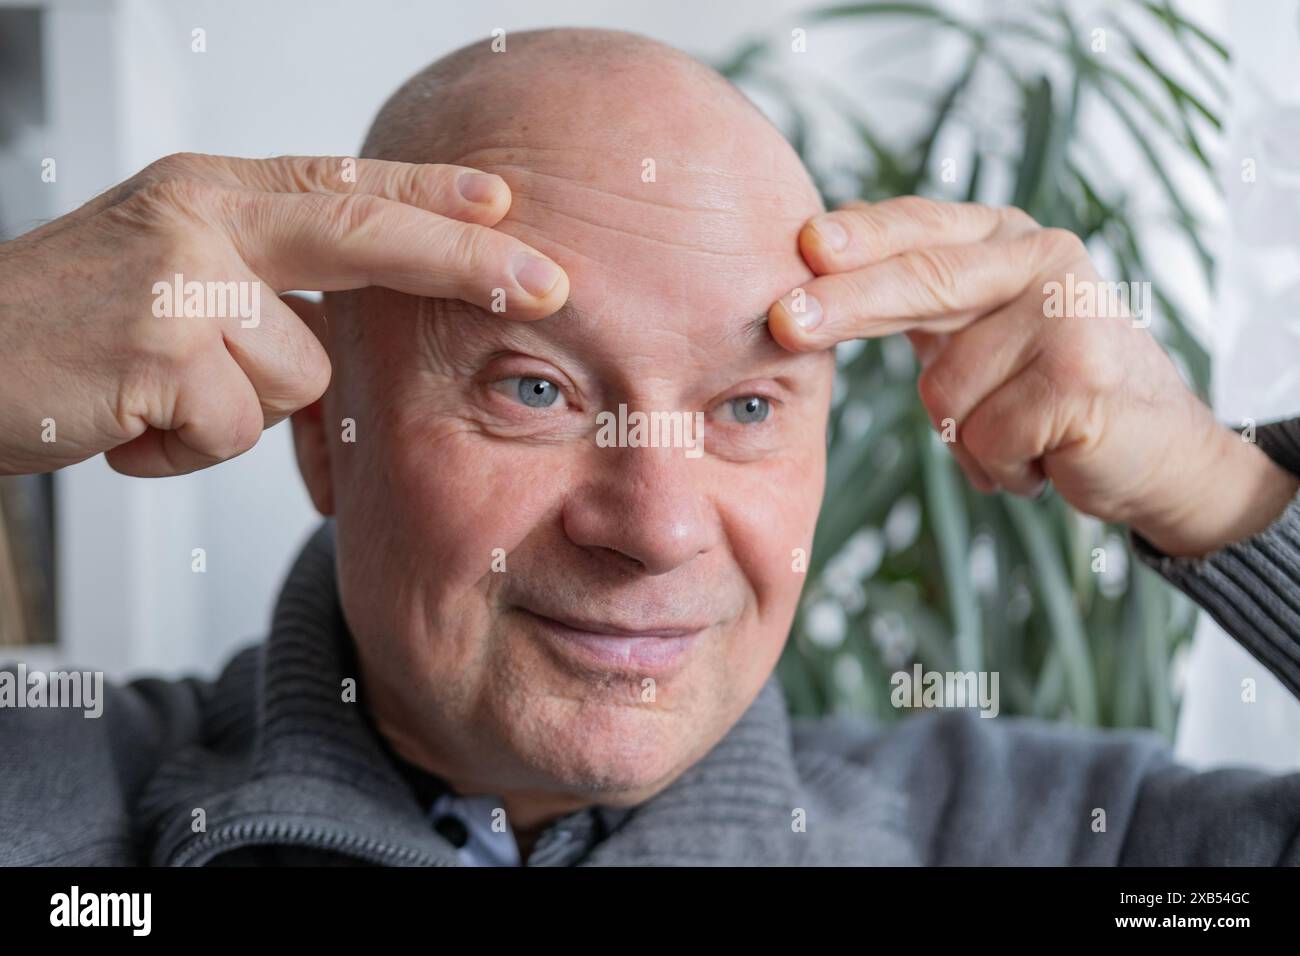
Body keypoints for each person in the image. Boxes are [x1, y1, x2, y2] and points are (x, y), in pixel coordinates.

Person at [1, 28, 1297, 866]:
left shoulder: (1052, 840)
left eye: (745, 408)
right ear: (322, 436)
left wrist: (1226, 492)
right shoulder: (48, 808)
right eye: (534, 388)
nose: (660, 524)